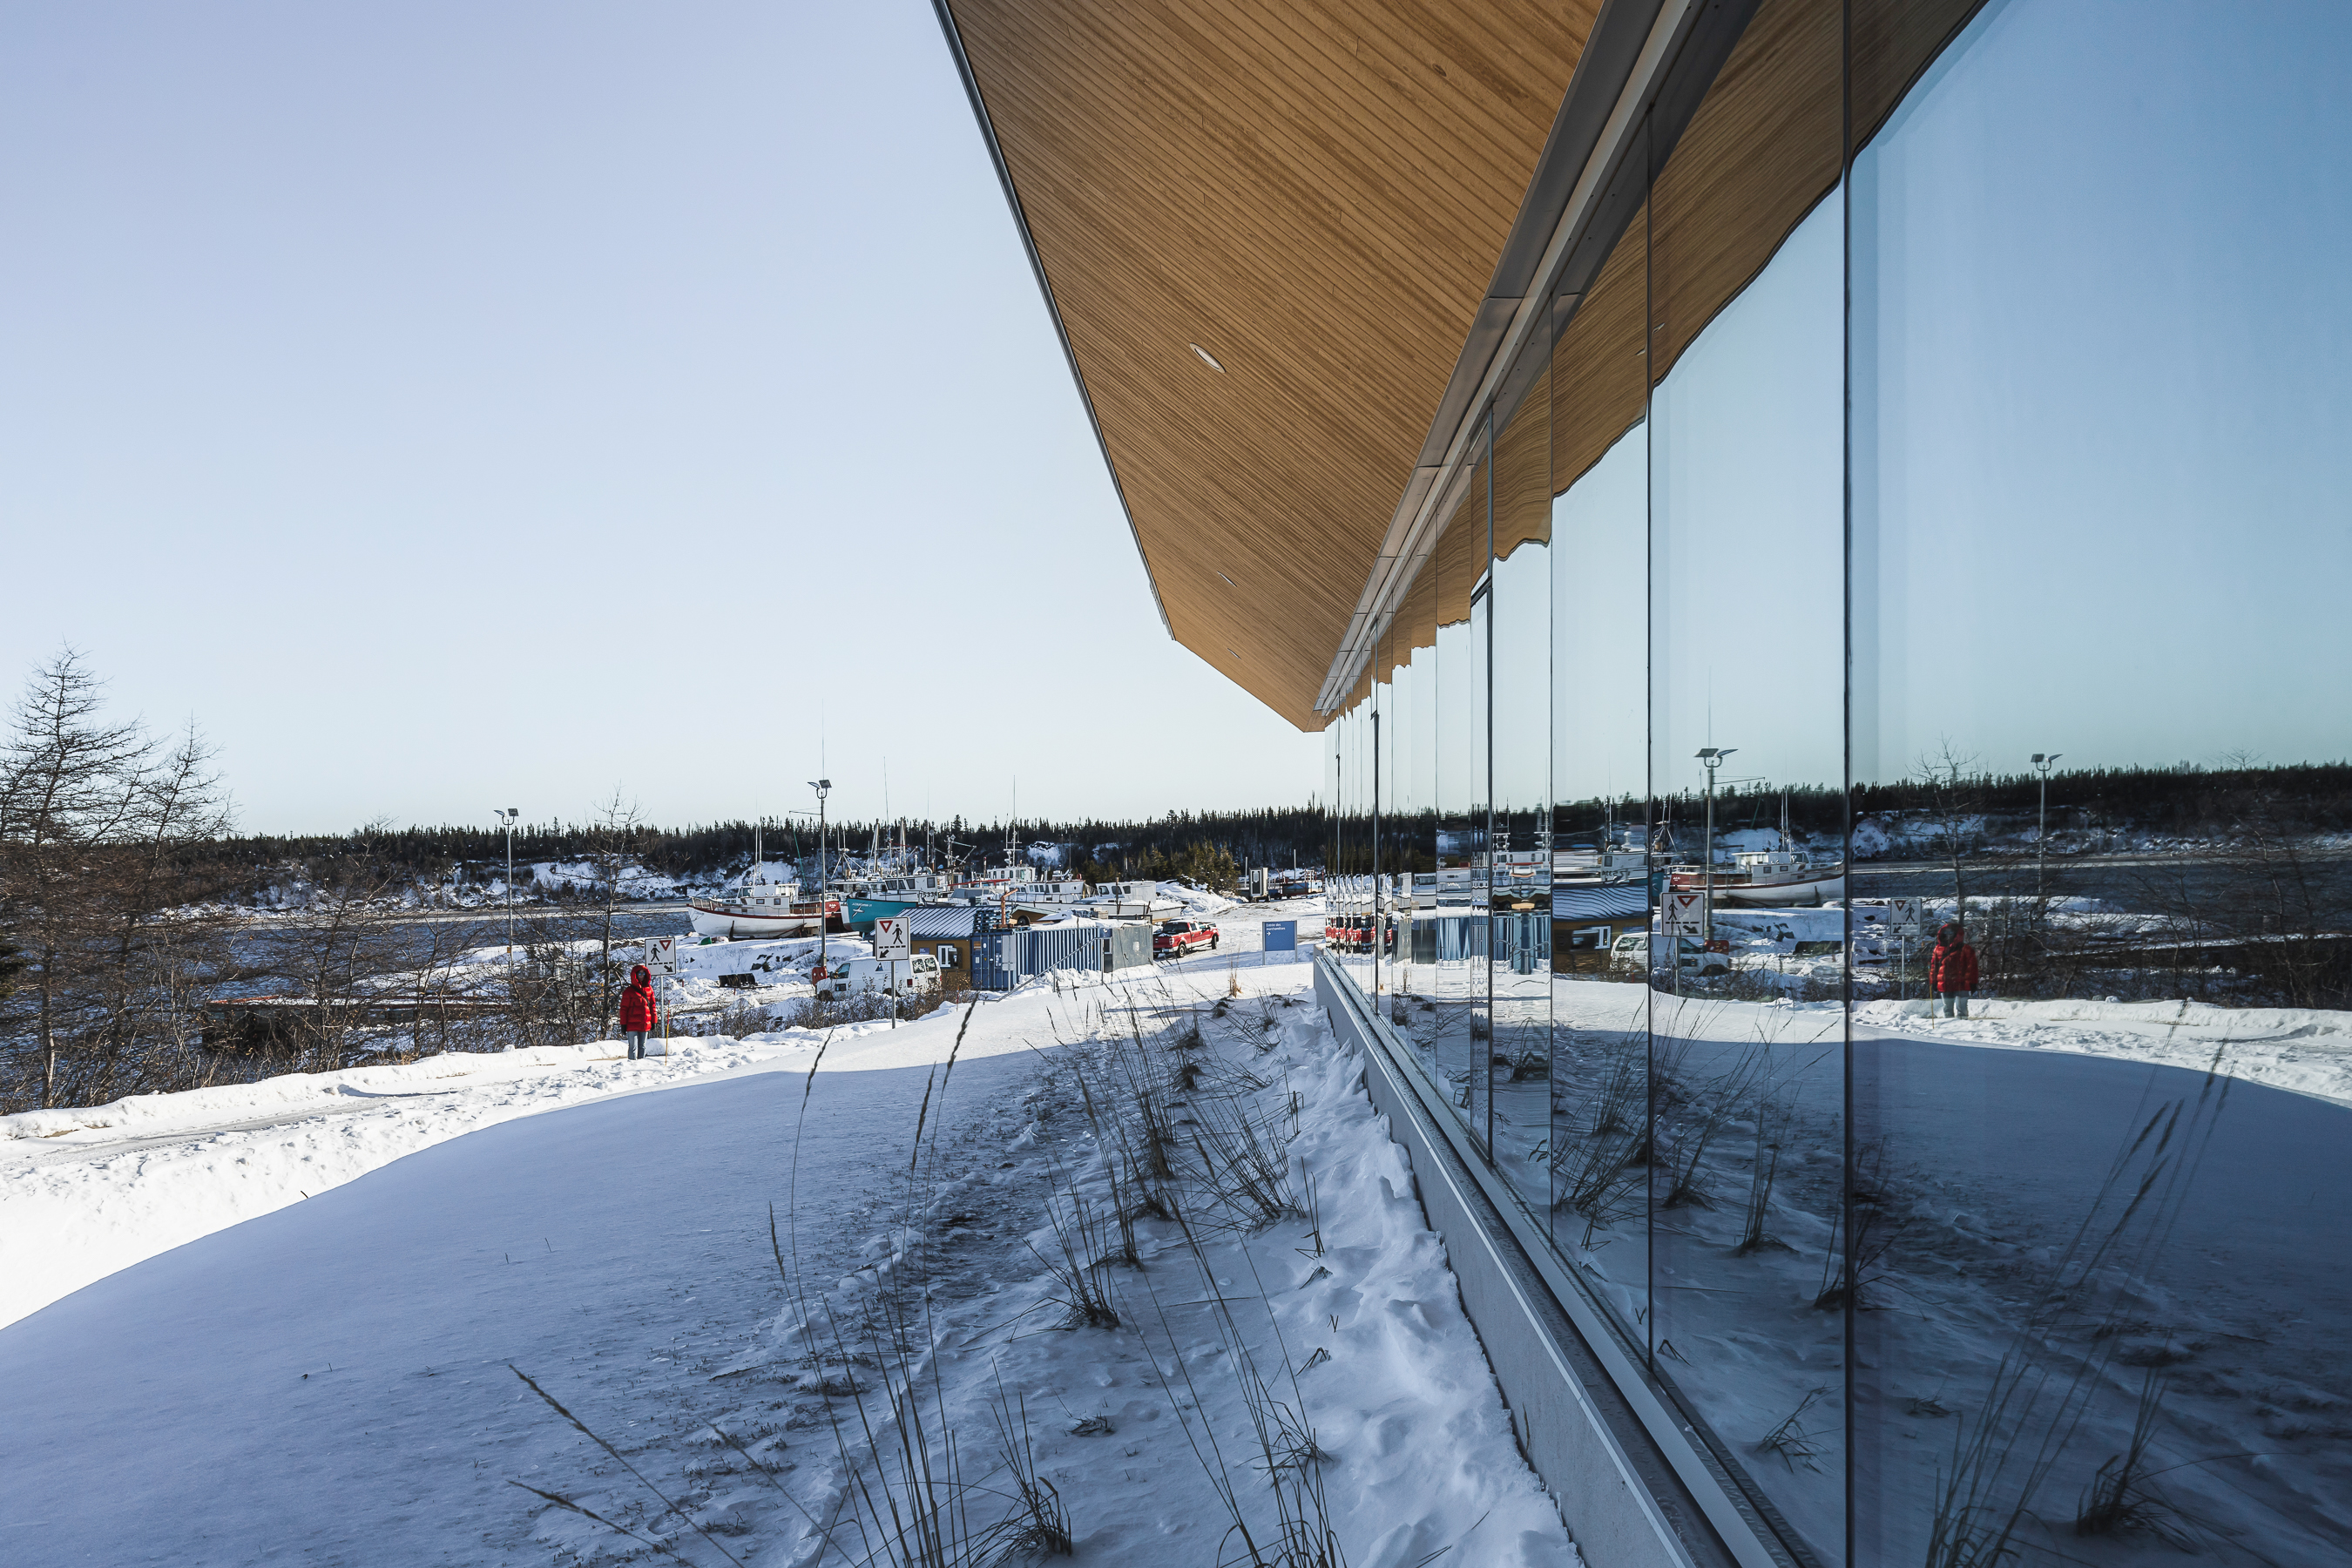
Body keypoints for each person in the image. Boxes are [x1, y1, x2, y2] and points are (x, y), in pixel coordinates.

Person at [1929, 922, 1978, 1018]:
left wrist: (1973, 982)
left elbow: (1972, 968)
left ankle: (1962, 1025)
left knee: (1961, 1010)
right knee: (1947, 1010)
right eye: (1946, 933)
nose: (1948, 935)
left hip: (1961, 984)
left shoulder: (1966, 949)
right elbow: (1934, 967)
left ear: (1957, 935)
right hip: (1946, 983)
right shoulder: (1938, 949)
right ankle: (1950, 1026)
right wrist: (1933, 981)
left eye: (1951, 933)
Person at [619, 963, 659, 1060]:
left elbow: (653, 1006)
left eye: (643, 973)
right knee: (632, 1047)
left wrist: (654, 1021)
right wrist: (623, 1024)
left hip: (644, 1023)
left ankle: (641, 1065)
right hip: (631, 1024)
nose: (642, 976)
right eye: (639, 974)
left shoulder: (649, 989)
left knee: (642, 1046)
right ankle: (632, 1065)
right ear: (635, 975)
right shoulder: (629, 991)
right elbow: (624, 1009)